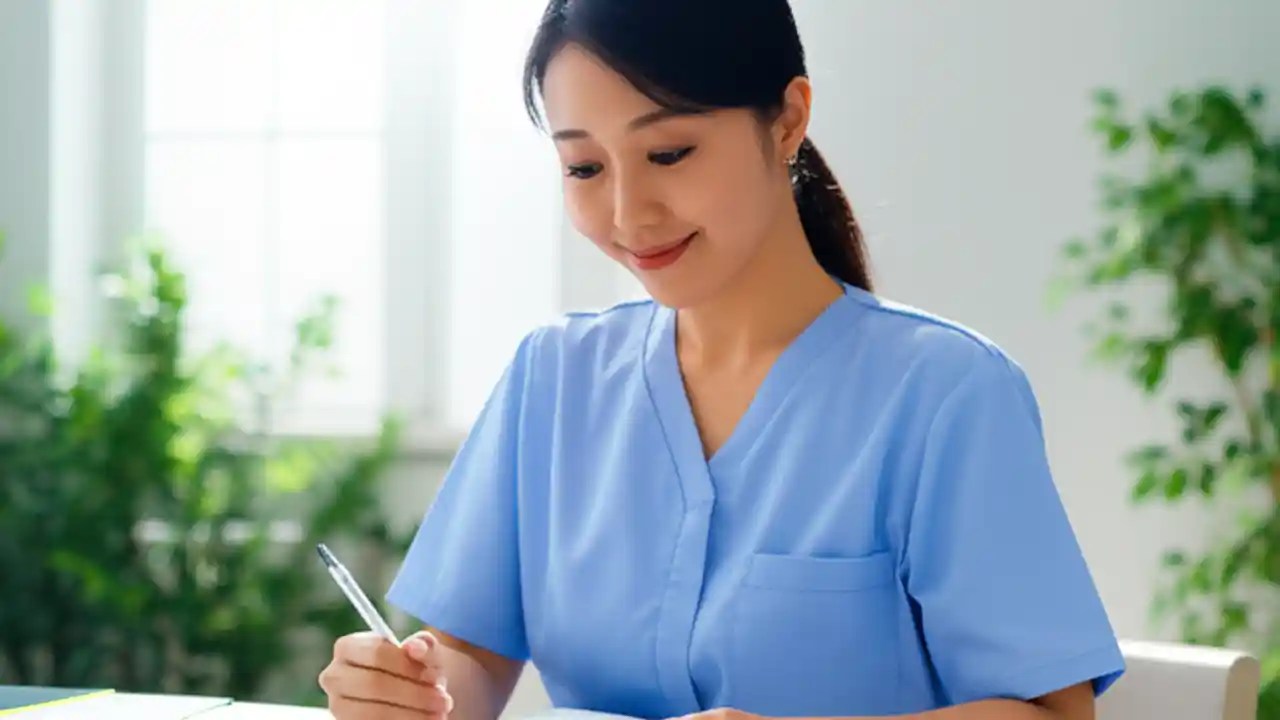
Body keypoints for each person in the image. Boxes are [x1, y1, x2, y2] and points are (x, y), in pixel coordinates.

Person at [318, 0, 1126, 718]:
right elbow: (470, 659)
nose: (630, 214)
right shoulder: (552, 378)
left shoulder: (944, 394)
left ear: (787, 119)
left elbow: (1051, 712)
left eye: (669, 154)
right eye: (584, 168)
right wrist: (405, 694)